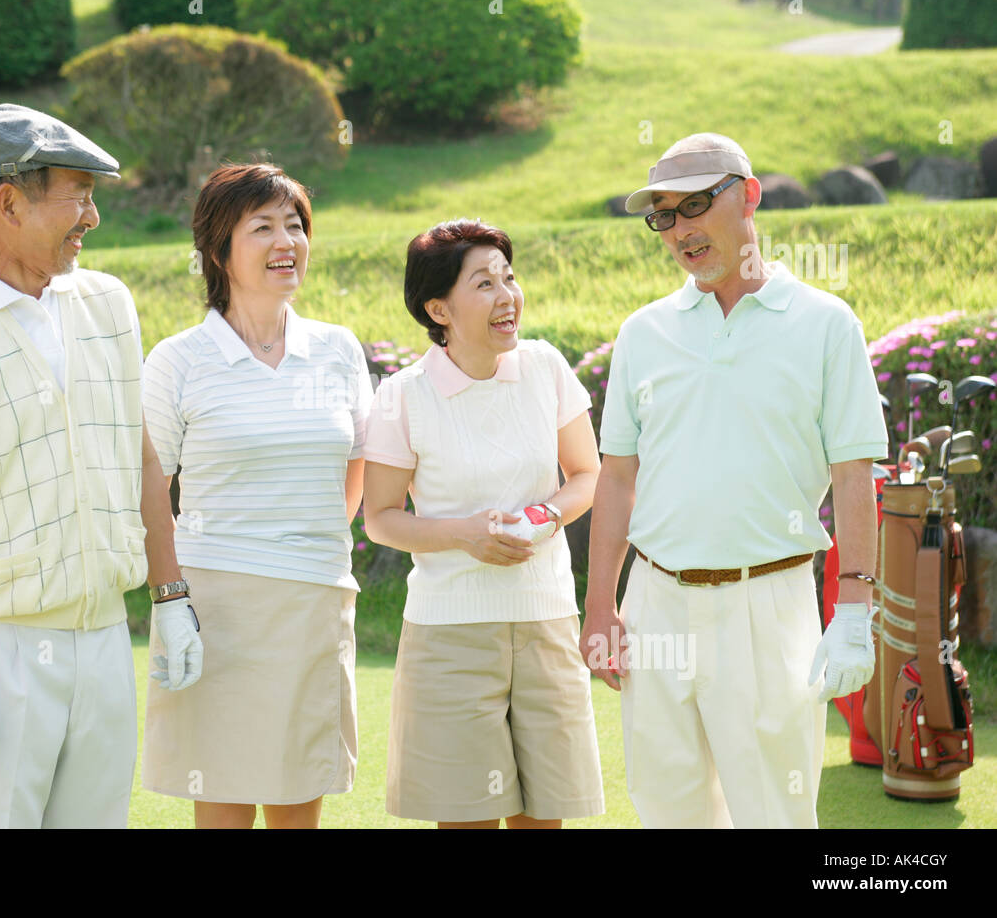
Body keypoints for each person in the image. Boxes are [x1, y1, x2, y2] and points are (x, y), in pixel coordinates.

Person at [0, 103, 202, 828]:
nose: (92, 217)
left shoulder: (109, 304)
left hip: (103, 644)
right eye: (78, 196)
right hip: (0, 654)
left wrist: (171, 596)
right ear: (8, 202)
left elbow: (141, 455)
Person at [580, 132, 887, 828]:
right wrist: (600, 606)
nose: (682, 229)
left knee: (774, 815)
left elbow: (852, 475)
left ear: (749, 196)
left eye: (696, 205)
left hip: (768, 603)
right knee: (668, 812)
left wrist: (856, 613)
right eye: (664, 215)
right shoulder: (643, 333)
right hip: (654, 604)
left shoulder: (826, 325)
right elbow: (618, 479)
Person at [139, 163, 372, 829]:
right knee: (223, 803)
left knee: (299, 804)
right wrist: (170, 599)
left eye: (295, 226)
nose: (286, 242)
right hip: (214, 610)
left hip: (313, 602)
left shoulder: (337, 350)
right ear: (218, 249)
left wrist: (308, 550)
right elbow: (152, 494)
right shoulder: (179, 360)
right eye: (263, 227)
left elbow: (355, 467)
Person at [362, 218, 605, 829]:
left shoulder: (546, 366)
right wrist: (463, 533)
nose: (507, 297)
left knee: (544, 818)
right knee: (465, 819)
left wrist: (547, 514)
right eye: (484, 284)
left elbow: (586, 475)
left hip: (547, 620)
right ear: (438, 307)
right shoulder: (402, 396)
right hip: (449, 638)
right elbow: (381, 519)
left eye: (509, 278)